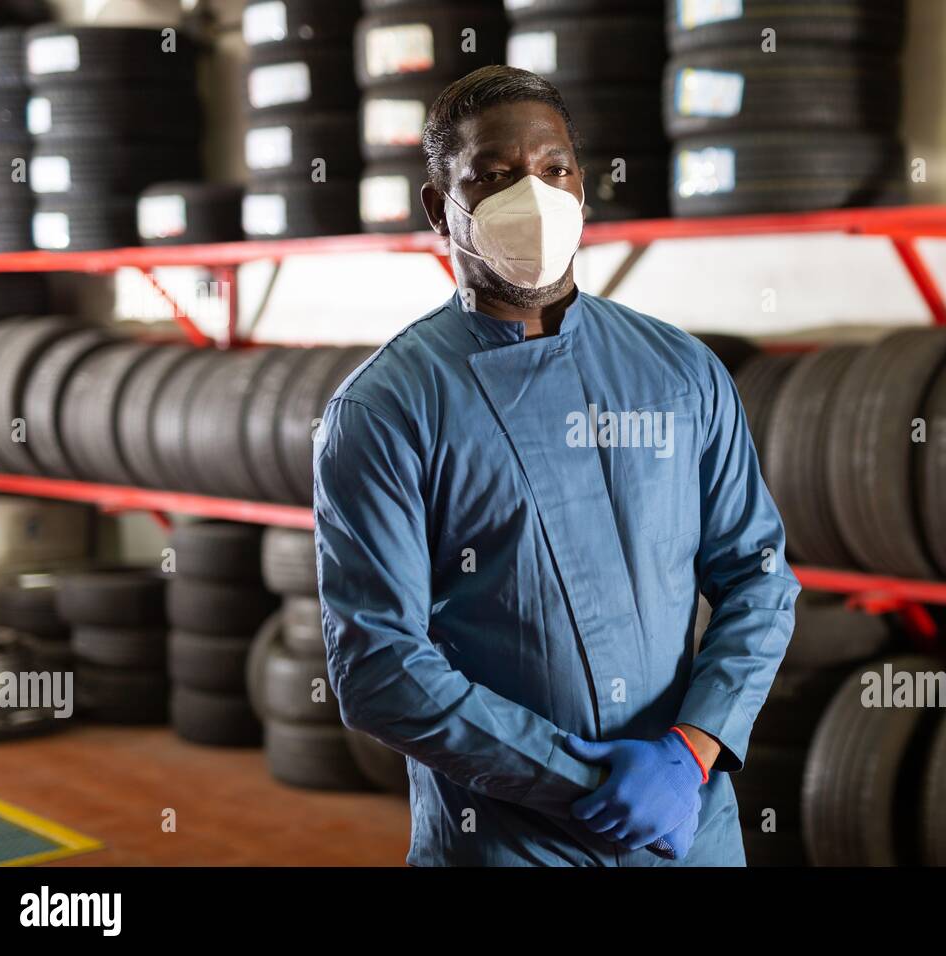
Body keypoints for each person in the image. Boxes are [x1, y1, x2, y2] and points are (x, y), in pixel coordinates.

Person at [313, 65, 800, 866]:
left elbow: (758, 575)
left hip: (688, 823)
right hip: (509, 838)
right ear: (442, 207)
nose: (532, 196)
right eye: (495, 176)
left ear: (582, 188)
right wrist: (584, 782)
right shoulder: (386, 411)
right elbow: (379, 667)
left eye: (554, 169)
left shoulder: (679, 371)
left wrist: (692, 749)